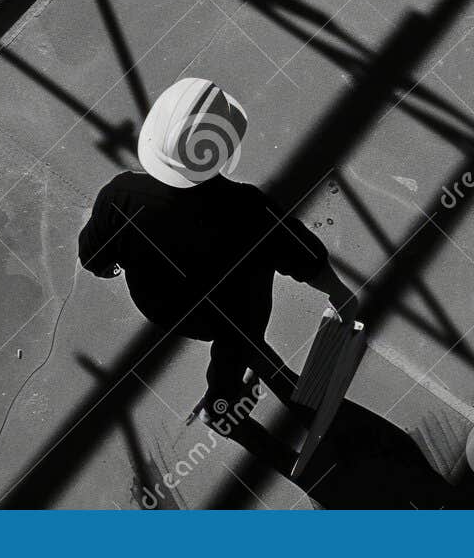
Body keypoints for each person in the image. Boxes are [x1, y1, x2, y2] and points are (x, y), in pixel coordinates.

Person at [79, 77, 358, 425]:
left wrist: (114, 264)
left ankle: (222, 403)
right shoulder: (250, 209)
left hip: (160, 305)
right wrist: (341, 295)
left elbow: (94, 258)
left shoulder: (119, 196)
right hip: (229, 317)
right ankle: (222, 397)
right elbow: (302, 256)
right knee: (240, 327)